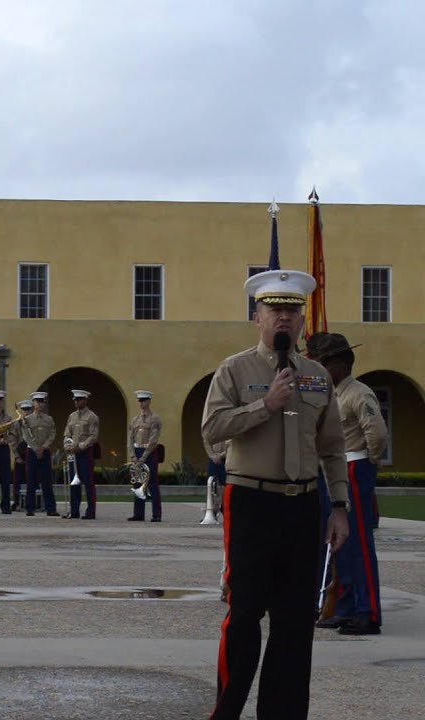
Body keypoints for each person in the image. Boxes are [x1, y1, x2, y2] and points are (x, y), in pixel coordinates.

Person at [202, 268, 349, 720]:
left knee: (294, 623)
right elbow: (211, 432)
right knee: (245, 615)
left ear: (302, 321)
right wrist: (262, 406)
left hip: (302, 505)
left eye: (291, 311)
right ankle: (226, 712)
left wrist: (339, 505)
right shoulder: (235, 369)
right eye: (274, 310)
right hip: (251, 502)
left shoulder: (317, 377)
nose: (283, 319)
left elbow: (331, 446)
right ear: (257, 317)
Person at [307, 332, 387, 636]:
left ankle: (368, 611)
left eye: (325, 363)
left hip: (353, 467)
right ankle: (345, 607)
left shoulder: (358, 393)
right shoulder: (332, 393)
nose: (321, 369)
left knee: (358, 545)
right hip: (334, 471)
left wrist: (368, 463)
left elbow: (377, 435)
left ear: (340, 364)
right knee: (338, 544)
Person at [63, 389, 100, 520]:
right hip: (73, 452)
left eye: (79, 400)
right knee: (74, 482)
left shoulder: (92, 417)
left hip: (85, 452)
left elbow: (93, 436)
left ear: (85, 400)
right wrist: (67, 445)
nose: (76, 402)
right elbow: (67, 433)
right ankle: (74, 511)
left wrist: (81, 447)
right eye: (75, 400)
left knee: (88, 482)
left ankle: (91, 511)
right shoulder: (72, 416)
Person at [127, 391, 163, 522]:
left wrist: (144, 456)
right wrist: (133, 455)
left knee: (152, 483)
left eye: (144, 400)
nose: (141, 403)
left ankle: (156, 514)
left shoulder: (155, 419)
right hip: (137, 451)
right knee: (137, 483)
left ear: (149, 401)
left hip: (149, 451)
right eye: (140, 401)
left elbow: (154, 440)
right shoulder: (135, 419)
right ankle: (138, 514)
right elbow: (130, 439)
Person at [22, 392, 57, 516]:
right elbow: (26, 436)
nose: (40, 404)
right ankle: (30, 508)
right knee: (31, 481)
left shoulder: (49, 419)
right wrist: (36, 448)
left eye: (42, 402)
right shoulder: (27, 419)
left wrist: (44, 447)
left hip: (45, 452)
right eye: (37, 402)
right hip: (32, 452)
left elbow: (52, 434)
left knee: (47, 481)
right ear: (33, 403)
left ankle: (51, 508)